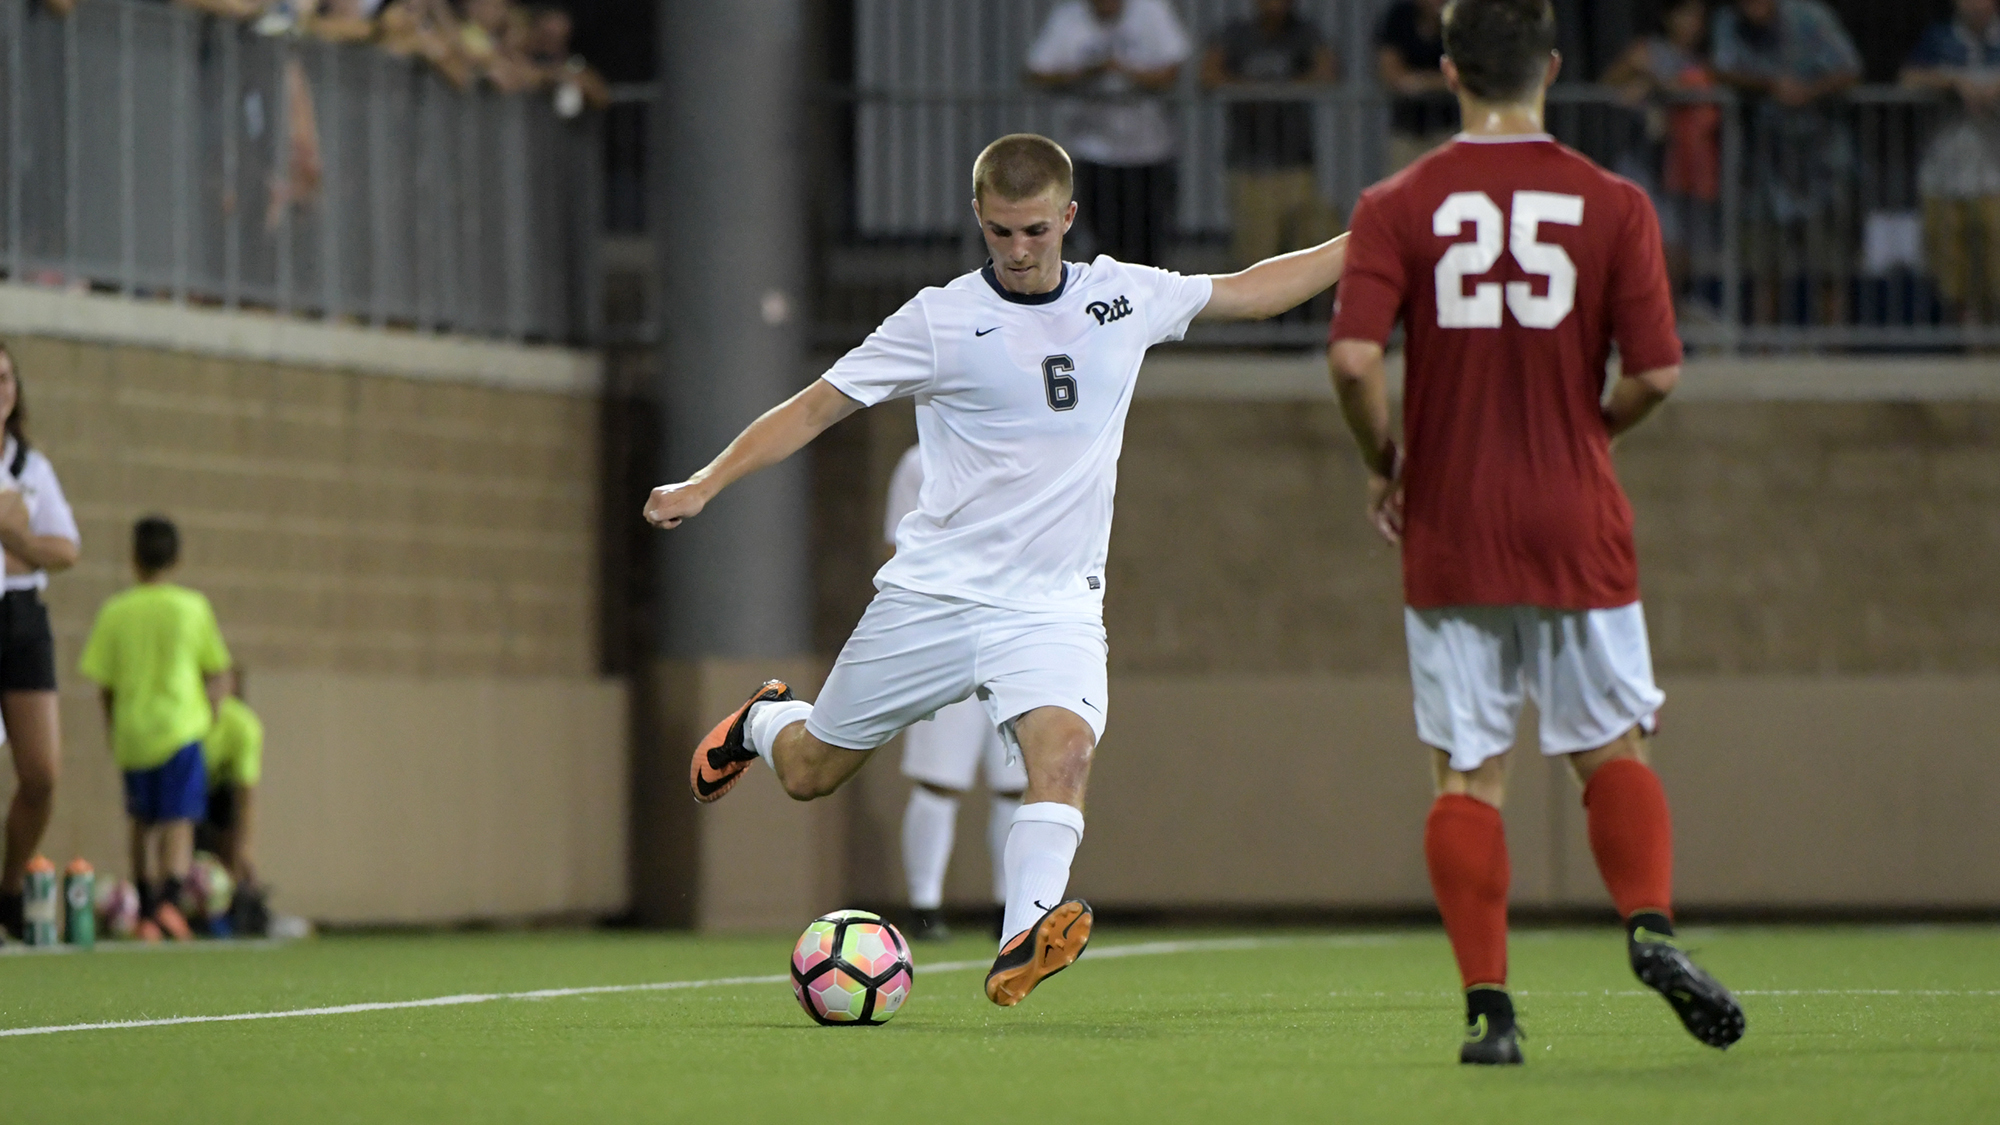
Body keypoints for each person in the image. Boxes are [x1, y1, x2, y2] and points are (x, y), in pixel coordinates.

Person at [650, 132, 1347, 1008]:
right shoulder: (937, 319)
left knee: (1065, 752)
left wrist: (1369, 238)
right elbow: (815, 406)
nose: (1019, 252)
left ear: (1069, 218)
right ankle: (764, 723)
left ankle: (1024, 932)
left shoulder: (1122, 296)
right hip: (936, 594)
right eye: (1002, 233)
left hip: (1052, 605)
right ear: (978, 218)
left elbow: (1251, 293)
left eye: (1036, 233)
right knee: (810, 772)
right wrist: (707, 481)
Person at [1327, 0, 1745, 1065]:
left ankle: (1490, 1016)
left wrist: (1386, 464)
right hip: (1574, 512)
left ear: (1449, 68)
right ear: (1551, 68)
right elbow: (1654, 370)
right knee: (1609, 746)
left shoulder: (1396, 201)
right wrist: (1587, 432)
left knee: (1467, 773)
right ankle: (1647, 927)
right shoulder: (1611, 202)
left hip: (1452, 519)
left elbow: (1349, 358)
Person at [882, 444, 1027, 943]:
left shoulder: (1022, 451)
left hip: (1014, 634)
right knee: (938, 780)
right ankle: (924, 906)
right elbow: (899, 551)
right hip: (945, 635)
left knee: (1015, 783)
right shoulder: (921, 462)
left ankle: (1010, 906)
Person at [78, 517, 233, 943]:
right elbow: (218, 671)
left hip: (133, 732)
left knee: (141, 822)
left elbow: (104, 685)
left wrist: (114, 728)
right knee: (178, 821)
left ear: (133, 559)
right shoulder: (192, 608)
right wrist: (213, 714)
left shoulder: (115, 612)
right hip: (180, 728)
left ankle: (144, 908)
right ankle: (169, 905)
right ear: (178, 558)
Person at [1710, 0, 1861, 325]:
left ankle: (1834, 356)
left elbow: (1850, 69)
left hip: (1823, 164)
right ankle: (1764, 358)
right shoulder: (1729, 21)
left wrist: (1808, 91)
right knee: (1765, 268)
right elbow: (1720, 70)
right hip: (1764, 167)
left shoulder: (1811, 17)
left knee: (1830, 267)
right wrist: (1770, 85)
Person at [0, 344, 81, 942]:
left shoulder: (29, 467)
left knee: (42, 773)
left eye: (4, 378)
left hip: (23, 618)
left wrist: (14, 537)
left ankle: (8, 887)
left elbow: (65, 548)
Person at [1026, 0, 1192, 267]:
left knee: (1149, 245)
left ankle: (1146, 305)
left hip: (1150, 152)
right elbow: (1037, 73)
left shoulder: (1151, 11)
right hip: (1094, 153)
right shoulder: (1069, 17)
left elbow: (1171, 72)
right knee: (1102, 247)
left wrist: (1125, 72)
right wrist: (1088, 73)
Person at [1201, 0, 1342, 271]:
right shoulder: (1236, 32)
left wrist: (1280, 89)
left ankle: (1309, 315)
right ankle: (1260, 315)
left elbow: (1328, 70)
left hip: (1296, 161)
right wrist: (1251, 91)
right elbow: (1208, 74)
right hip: (1249, 163)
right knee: (1255, 260)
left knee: (1306, 254)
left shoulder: (1305, 32)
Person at [1603, 0, 1722, 303]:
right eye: (1686, 14)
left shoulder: (1704, 60)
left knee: (1679, 248)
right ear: (1670, 18)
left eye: (1698, 16)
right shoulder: (1648, 51)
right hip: (1644, 163)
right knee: (1641, 244)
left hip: (1682, 165)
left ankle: (1669, 317)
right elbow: (1612, 83)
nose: (1693, 23)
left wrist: (1663, 86)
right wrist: (1642, 80)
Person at [1903, 0, 2000, 326]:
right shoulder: (1940, 38)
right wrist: (1953, 82)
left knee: (1994, 265)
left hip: (1994, 173)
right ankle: (1967, 343)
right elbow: (1909, 78)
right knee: (1951, 270)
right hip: (1944, 173)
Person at [197, 666, 268, 935]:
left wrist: (245, 847)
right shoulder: (185, 721)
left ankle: (233, 907)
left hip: (221, 791)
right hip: (193, 792)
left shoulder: (244, 726)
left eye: (216, 683)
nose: (209, 691)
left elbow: (245, 795)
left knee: (232, 838)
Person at [1376, 0, 1458, 174]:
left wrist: (1422, 82)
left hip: (1448, 130)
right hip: (1406, 131)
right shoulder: (1400, 16)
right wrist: (1437, 81)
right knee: (1399, 191)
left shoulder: (1459, 20)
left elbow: (1465, 74)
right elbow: (1390, 73)